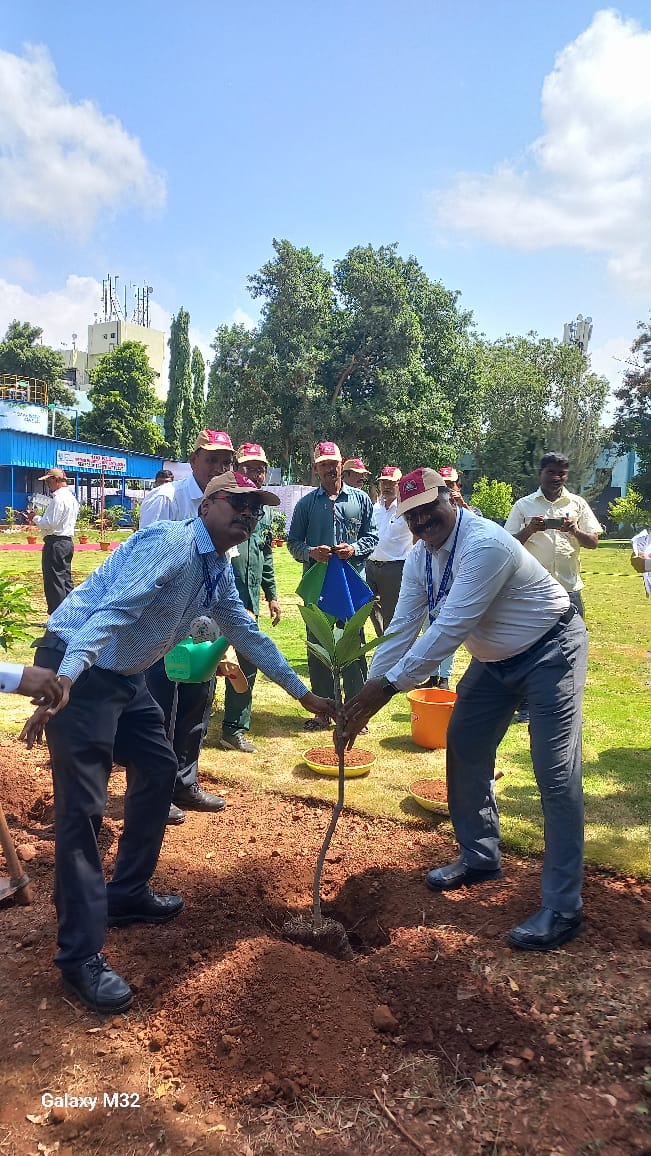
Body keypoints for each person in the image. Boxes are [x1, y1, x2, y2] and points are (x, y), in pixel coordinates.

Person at [23, 471, 333, 1015]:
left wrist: (304, 694)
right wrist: (66, 677)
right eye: (237, 502)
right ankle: (79, 958)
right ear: (209, 503)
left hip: (124, 676)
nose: (248, 514)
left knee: (160, 768)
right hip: (80, 668)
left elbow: (247, 633)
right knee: (83, 812)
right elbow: (112, 610)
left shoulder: (217, 567)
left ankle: (126, 895)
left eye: (256, 509)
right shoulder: (173, 544)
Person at [343, 467, 588, 953]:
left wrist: (385, 690)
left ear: (451, 498)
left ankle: (563, 907)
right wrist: (372, 687)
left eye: (429, 509)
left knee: (555, 774)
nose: (421, 522)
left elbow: (447, 630)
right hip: (494, 660)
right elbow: (403, 626)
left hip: (550, 650)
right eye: (410, 516)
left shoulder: (485, 545)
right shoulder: (421, 557)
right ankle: (480, 855)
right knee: (465, 746)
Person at [140, 429, 236, 823]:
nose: (219, 466)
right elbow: (146, 560)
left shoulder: (228, 501)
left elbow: (223, 563)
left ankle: (184, 782)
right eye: (211, 458)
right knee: (159, 704)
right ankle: (155, 792)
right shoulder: (166, 499)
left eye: (225, 461)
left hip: (203, 619)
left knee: (197, 699)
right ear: (193, 459)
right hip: (162, 620)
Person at [504, 451, 601, 722]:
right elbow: (508, 544)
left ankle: (565, 705)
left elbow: (593, 542)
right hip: (534, 590)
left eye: (562, 473)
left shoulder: (578, 503)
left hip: (569, 588)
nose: (557, 477)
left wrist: (574, 530)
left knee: (571, 646)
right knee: (527, 647)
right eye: (552, 472)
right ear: (540, 474)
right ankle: (524, 705)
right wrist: (530, 530)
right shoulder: (524, 506)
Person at [288, 441, 378, 730]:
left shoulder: (361, 500)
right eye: (323, 464)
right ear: (316, 468)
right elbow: (293, 543)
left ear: (342, 464)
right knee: (318, 646)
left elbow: (372, 537)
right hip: (319, 587)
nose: (329, 468)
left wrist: (354, 548)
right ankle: (322, 710)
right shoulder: (306, 505)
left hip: (351, 585)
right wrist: (311, 552)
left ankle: (355, 711)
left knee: (353, 645)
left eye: (333, 463)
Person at [219, 443, 281, 753]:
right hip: (219, 600)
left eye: (260, 468)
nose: (256, 473)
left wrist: (271, 595)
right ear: (236, 469)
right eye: (249, 467)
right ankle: (191, 725)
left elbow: (265, 555)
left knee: (247, 663)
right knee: (204, 663)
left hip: (250, 601)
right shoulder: (225, 502)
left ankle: (233, 728)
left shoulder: (264, 510)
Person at [366, 466, 413, 636]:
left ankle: (391, 648)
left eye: (391, 483)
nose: (386, 486)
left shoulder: (407, 510)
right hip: (370, 565)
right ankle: (383, 640)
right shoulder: (374, 508)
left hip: (395, 568)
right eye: (383, 482)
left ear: (400, 484)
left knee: (392, 613)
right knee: (365, 606)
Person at [33, 469, 80, 614]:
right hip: (66, 542)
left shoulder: (59, 499)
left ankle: (56, 616)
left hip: (55, 542)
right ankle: (71, 614)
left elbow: (50, 523)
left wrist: (36, 518)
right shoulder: (72, 498)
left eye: (49, 481)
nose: (47, 484)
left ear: (56, 480)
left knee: (54, 582)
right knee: (65, 580)